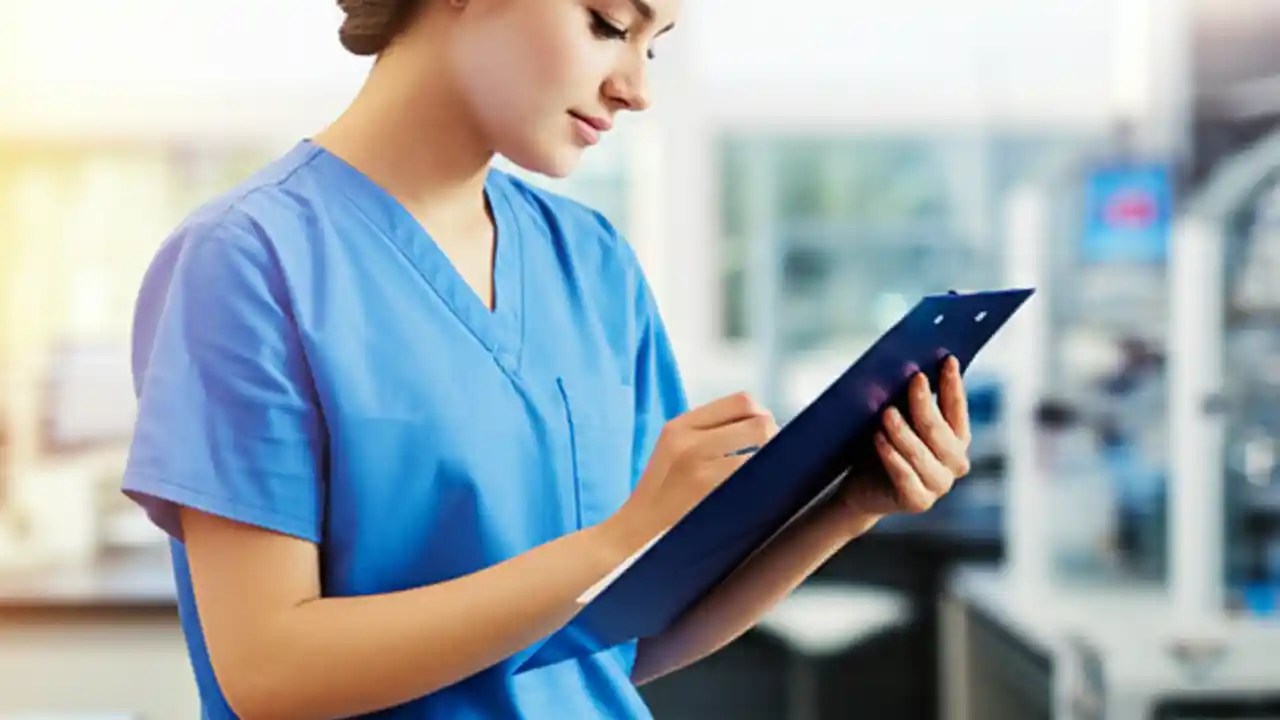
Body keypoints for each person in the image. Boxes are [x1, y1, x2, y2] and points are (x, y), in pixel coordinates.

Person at [121, 1, 976, 717]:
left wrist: (848, 504)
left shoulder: (592, 261)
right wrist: (617, 539)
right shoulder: (247, 261)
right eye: (609, 23)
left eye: (655, 45)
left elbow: (620, 643)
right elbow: (269, 672)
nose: (636, 88)